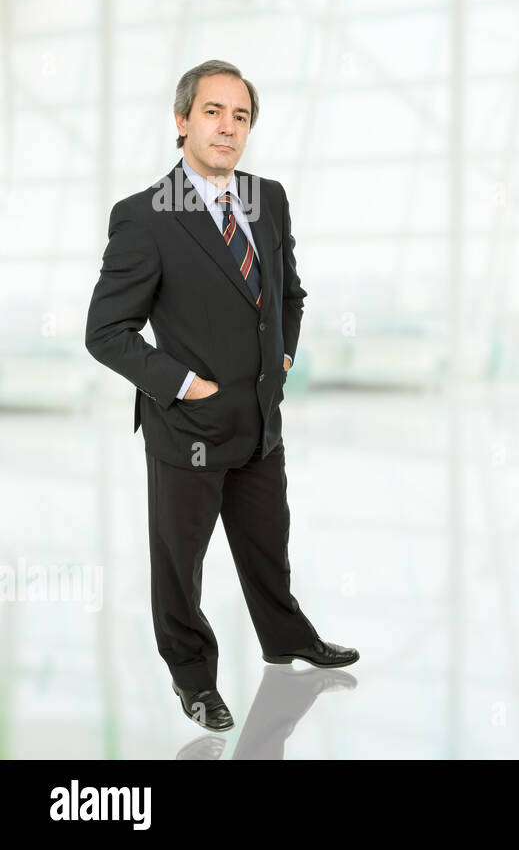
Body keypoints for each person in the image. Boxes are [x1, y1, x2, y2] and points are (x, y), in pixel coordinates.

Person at [85, 60, 358, 733]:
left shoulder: (269, 198)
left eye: (240, 116)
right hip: (189, 426)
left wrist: (283, 357)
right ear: (182, 123)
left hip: (261, 419)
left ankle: (285, 635)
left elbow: (289, 293)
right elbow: (105, 331)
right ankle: (192, 676)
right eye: (213, 112)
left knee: (269, 542)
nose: (227, 127)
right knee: (181, 565)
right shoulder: (145, 217)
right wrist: (183, 383)